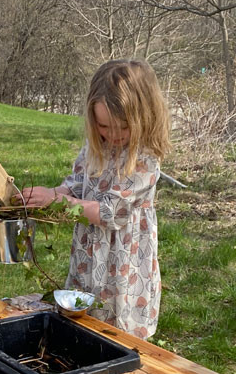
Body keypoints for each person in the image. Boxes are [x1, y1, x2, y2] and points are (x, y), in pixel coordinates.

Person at [22, 59, 172, 340]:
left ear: (143, 117)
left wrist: (57, 203)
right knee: (83, 321)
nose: (112, 135)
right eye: (104, 125)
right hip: (89, 257)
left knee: (119, 334)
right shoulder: (95, 147)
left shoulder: (145, 159)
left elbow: (110, 212)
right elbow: (77, 183)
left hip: (124, 264)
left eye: (122, 127)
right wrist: (53, 193)